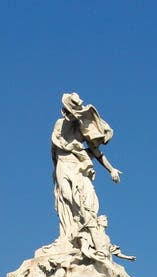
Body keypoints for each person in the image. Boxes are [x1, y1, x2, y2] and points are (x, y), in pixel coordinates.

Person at [51, 92, 121, 259]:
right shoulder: (59, 124)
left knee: (80, 200)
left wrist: (111, 169)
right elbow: (55, 147)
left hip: (78, 166)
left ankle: (81, 234)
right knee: (66, 197)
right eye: (67, 111)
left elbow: (97, 153)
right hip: (63, 164)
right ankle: (68, 235)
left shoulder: (82, 129)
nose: (69, 115)